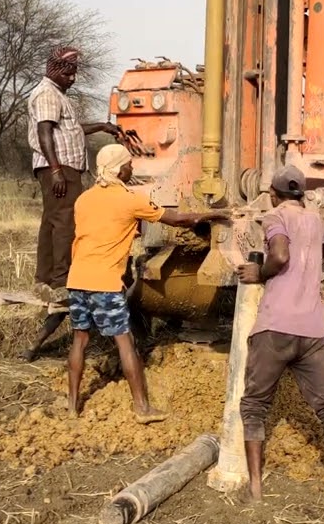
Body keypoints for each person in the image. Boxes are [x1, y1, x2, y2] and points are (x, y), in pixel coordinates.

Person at [65, 144, 228, 420]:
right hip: (105, 282)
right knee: (125, 341)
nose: (132, 169)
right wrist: (214, 215)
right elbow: (176, 219)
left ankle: (71, 407)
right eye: (129, 165)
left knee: (79, 340)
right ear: (118, 169)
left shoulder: (83, 199)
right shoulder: (131, 199)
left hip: (77, 278)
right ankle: (142, 408)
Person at [235, 166, 324, 510]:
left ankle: (256, 492)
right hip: (314, 332)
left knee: (255, 406)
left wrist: (259, 273)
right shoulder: (315, 221)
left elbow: (280, 254)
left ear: (273, 193)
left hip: (275, 328)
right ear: (301, 194)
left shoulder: (274, 215)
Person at [23, 45, 123, 362]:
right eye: (68, 72)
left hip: (62, 167)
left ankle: (46, 277)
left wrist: (102, 127)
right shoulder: (48, 94)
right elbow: (45, 132)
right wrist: (55, 170)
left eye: (73, 72)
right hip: (60, 168)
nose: (72, 77)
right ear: (54, 71)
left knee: (52, 221)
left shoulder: (56, 95)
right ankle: (60, 280)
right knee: (66, 222)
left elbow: (70, 130)